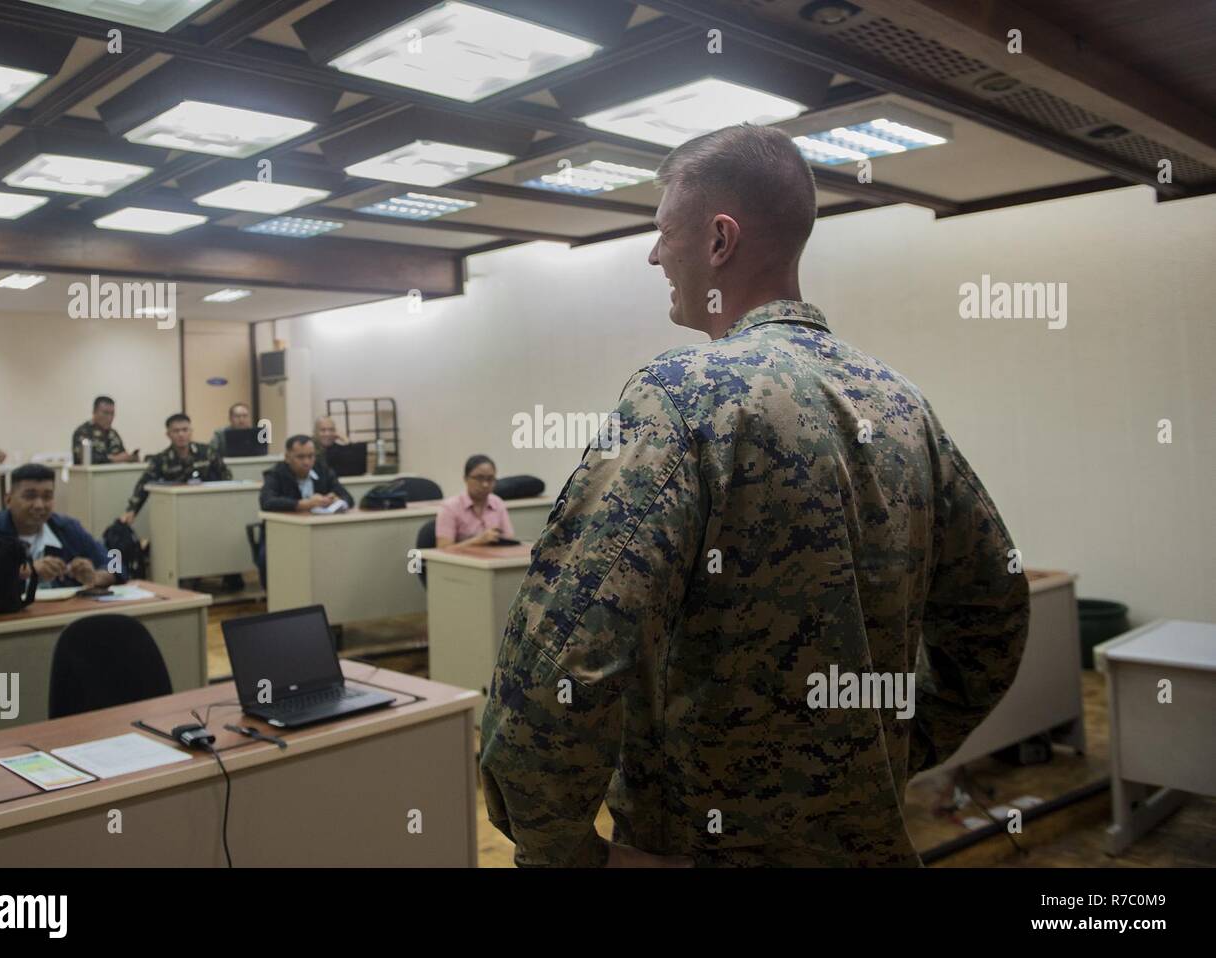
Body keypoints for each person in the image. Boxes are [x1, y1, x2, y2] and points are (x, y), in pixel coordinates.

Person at [479, 124, 1031, 868]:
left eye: (662, 231)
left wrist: (565, 850)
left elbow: (560, 658)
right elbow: (993, 610)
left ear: (717, 240)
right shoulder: (902, 405)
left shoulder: (683, 398)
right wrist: (884, 753)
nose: (652, 254)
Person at [0, 463, 114, 606]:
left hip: (59, 617)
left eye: (47, 497)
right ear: (8, 500)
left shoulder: (67, 528)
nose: (39, 505)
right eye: (30, 496)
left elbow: (116, 562)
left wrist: (97, 576)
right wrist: (25, 572)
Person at [121, 413, 231, 524]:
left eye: (185, 430)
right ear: (168, 434)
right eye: (176, 431)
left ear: (191, 432)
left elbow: (226, 476)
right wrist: (132, 510)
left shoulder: (207, 452)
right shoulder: (161, 460)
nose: (181, 434)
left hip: (208, 506)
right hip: (177, 512)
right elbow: (144, 484)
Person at [259, 435, 353, 512]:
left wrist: (336, 501)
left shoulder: (323, 471)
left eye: (311, 456)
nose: (306, 462)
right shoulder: (275, 474)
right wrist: (304, 504)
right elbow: (267, 502)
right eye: (300, 457)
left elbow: (349, 498)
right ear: (287, 457)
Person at [435, 455, 513, 548]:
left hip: (494, 560)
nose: (485, 484)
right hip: (462, 561)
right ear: (466, 479)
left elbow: (509, 540)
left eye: (490, 479)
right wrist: (478, 541)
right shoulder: (450, 507)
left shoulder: (497, 503)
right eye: (479, 478)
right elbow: (443, 549)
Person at [71, 395, 138, 464]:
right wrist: (113, 459)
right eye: (105, 413)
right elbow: (84, 459)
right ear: (94, 412)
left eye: (112, 414)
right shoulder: (83, 432)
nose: (109, 418)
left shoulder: (113, 433)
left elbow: (122, 454)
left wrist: (129, 458)